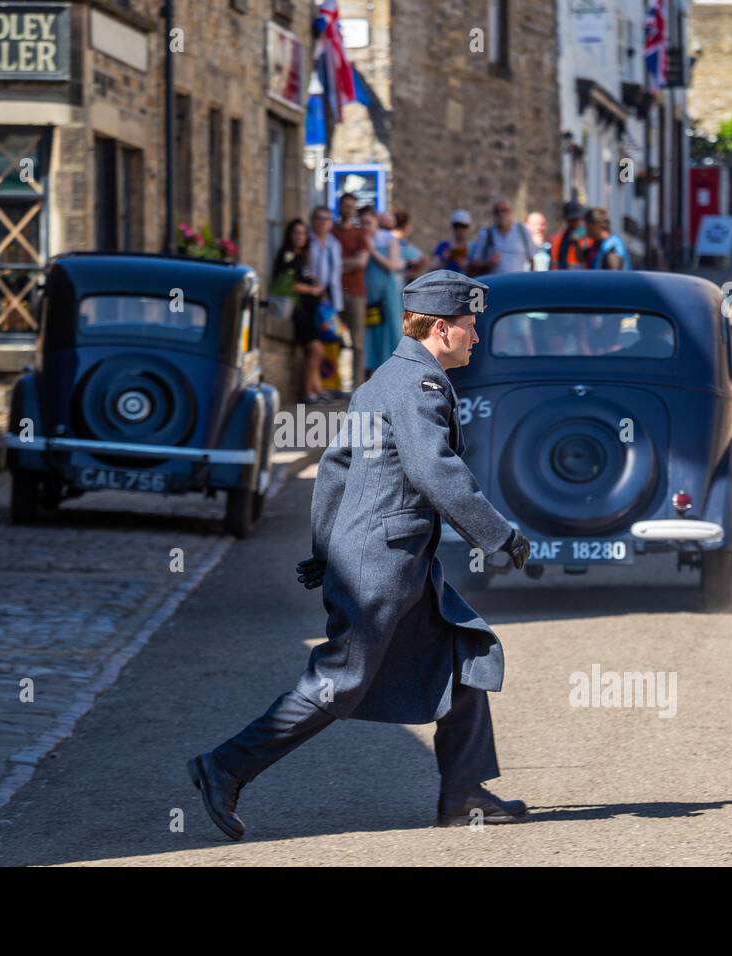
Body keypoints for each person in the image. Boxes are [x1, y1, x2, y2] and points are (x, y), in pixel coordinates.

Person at [188, 270, 534, 839]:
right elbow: (433, 471)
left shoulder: (384, 379)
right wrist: (496, 533)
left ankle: (463, 791)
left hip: (385, 561)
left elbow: (335, 468)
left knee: (461, 651)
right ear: (442, 329)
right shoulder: (419, 386)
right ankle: (224, 766)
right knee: (341, 678)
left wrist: (325, 550)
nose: (477, 338)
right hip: (383, 565)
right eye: (471, 328)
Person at [271, 219, 333, 405]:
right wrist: (312, 290)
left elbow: (302, 278)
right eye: (296, 233)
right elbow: (288, 284)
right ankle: (309, 392)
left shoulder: (302, 257)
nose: (300, 237)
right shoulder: (287, 256)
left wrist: (313, 283)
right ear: (290, 236)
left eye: (303, 233)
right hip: (297, 311)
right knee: (316, 349)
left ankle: (317, 389)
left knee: (314, 350)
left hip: (308, 310)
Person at [360, 206, 405, 380]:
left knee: (391, 331)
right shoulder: (360, 240)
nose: (365, 226)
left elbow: (391, 266)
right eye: (362, 223)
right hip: (369, 293)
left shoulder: (387, 239)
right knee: (371, 334)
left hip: (388, 293)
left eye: (368, 222)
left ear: (376, 222)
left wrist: (372, 251)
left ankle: (395, 374)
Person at [333, 192, 370, 391]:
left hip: (356, 292)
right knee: (334, 338)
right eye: (345, 205)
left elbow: (362, 262)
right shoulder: (331, 232)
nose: (348, 209)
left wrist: (337, 265)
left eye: (351, 206)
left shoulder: (359, 234)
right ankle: (335, 383)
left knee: (357, 341)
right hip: (333, 292)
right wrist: (348, 263)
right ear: (340, 207)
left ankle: (356, 386)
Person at [307, 206, 346, 400]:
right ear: (313, 221)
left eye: (327, 219)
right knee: (317, 343)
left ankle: (329, 384)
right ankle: (317, 387)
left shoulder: (334, 244)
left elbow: (336, 275)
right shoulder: (309, 241)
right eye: (319, 218)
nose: (323, 222)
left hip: (330, 299)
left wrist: (337, 304)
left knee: (332, 340)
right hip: (312, 297)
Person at [468, 198, 535, 275]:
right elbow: (475, 263)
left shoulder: (522, 230)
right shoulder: (486, 233)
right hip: (496, 283)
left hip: (518, 282)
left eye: (504, 210)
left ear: (511, 212)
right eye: (497, 211)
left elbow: (532, 260)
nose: (501, 214)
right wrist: (488, 264)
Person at [550, 200, 592, 270]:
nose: (577, 222)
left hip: (581, 276)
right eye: (573, 220)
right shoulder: (560, 236)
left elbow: (585, 259)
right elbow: (555, 261)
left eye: (578, 219)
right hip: (563, 275)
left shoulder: (588, 236)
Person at [390, 208, 427, 283]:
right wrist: (412, 273)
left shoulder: (387, 238)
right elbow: (424, 259)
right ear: (406, 226)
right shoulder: (402, 242)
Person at [433, 209, 474, 274]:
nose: (460, 229)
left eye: (463, 226)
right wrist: (444, 260)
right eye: (456, 226)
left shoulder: (473, 248)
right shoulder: (443, 246)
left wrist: (465, 266)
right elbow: (432, 269)